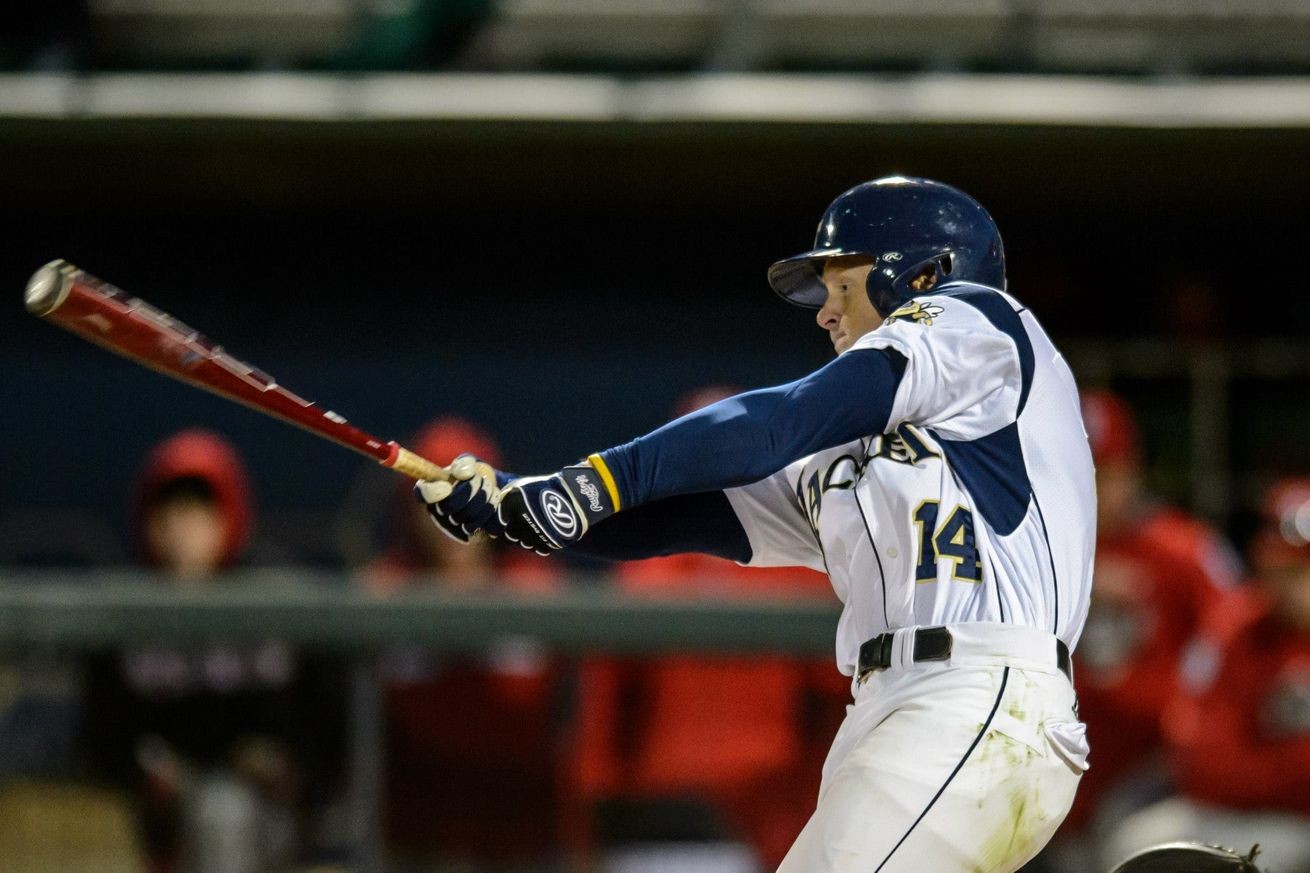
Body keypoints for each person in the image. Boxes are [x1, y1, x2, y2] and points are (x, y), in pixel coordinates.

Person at [418, 176, 1095, 873]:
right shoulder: (859, 458)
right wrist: (513, 505)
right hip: (900, 717)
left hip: (979, 698)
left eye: (844, 286)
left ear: (922, 273)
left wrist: (594, 480)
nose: (825, 315)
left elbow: (776, 422)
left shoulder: (976, 320)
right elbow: (697, 513)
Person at [568, 387, 847, 873]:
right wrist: (587, 829)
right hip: (668, 823)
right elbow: (601, 729)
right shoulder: (644, 579)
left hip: (777, 818)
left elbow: (840, 709)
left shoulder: (804, 574)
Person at [83, 429, 343, 873]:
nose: (182, 529)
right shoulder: (125, 613)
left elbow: (330, 728)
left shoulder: (278, 603)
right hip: (168, 821)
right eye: (167, 513)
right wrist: (144, 770)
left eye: (199, 512)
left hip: (271, 814)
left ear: (230, 516)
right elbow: (100, 739)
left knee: (226, 809)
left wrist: (291, 767)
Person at [360, 417, 566, 872]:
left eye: (463, 496)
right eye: (433, 498)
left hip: (522, 832)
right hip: (415, 834)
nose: (450, 518)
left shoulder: (538, 589)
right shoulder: (383, 591)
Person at [1048, 391, 1238, 865]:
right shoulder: (1031, 554)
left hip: (1153, 764)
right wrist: (1079, 585)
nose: (1085, 491)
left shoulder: (1184, 550)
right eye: (1070, 474)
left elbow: (1234, 648)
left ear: (1132, 470)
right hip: (1053, 760)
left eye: (1101, 475)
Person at [1103, 477, 1310, 873]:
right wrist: (1291, 772)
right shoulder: (1238, 626)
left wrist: (1259, 768)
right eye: (1280, 570)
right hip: (1237, 814)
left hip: (1290, 823)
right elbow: (1196, 751)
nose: (1287, 587)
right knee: (1132, 845)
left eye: (1301, 573)